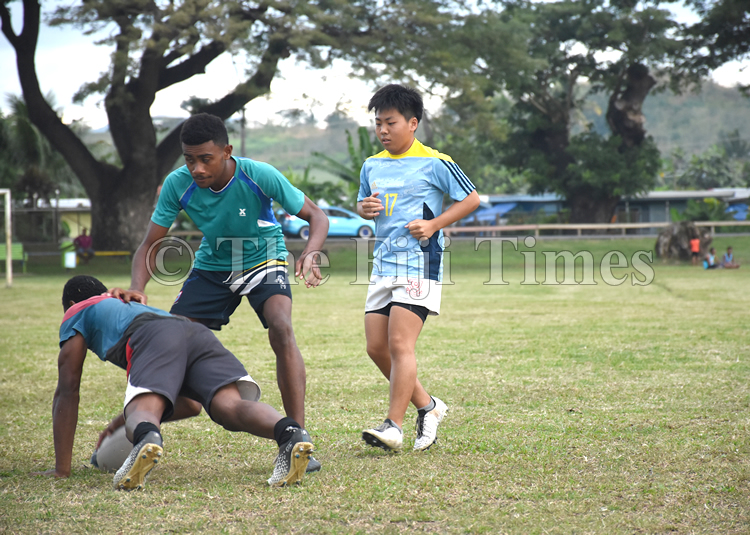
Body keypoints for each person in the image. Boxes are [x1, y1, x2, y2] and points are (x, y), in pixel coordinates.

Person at [126, 113, 328, 472]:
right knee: (170, 340)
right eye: (190, 159)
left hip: (264, 258)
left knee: (281, 327)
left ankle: (298, 439)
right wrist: (138, 289)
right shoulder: (177, 184)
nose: (197, 169)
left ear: (226, 151)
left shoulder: (257, 174)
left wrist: (311, 251)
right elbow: (148, 246)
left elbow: (316, 215)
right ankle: (143, 426)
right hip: (212, 266)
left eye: (206, 159)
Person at [35, 275, 315, 490]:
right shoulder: (123, 305)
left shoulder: (78, 310)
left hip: (152, 335)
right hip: (192, 331)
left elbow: (68, 389)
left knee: (143, 411)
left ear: (70, 305)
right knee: (230, 407)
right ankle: (290, 433)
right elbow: (191, 405)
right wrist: (118, 423)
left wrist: (62, 468)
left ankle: (146, 438)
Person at [356, 84, 480, 452]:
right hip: (382, 265)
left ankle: (393, 426)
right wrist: (363, 209)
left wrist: (434, 224)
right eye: (378, 123)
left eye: (390, 122)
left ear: (412, 123)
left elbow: (471, 199)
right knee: (376, 347)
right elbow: (364, 203)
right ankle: (428, 407)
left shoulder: (436, 162)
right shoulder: (372, 164)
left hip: (420, 264)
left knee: (399, 344)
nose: (382, 130)